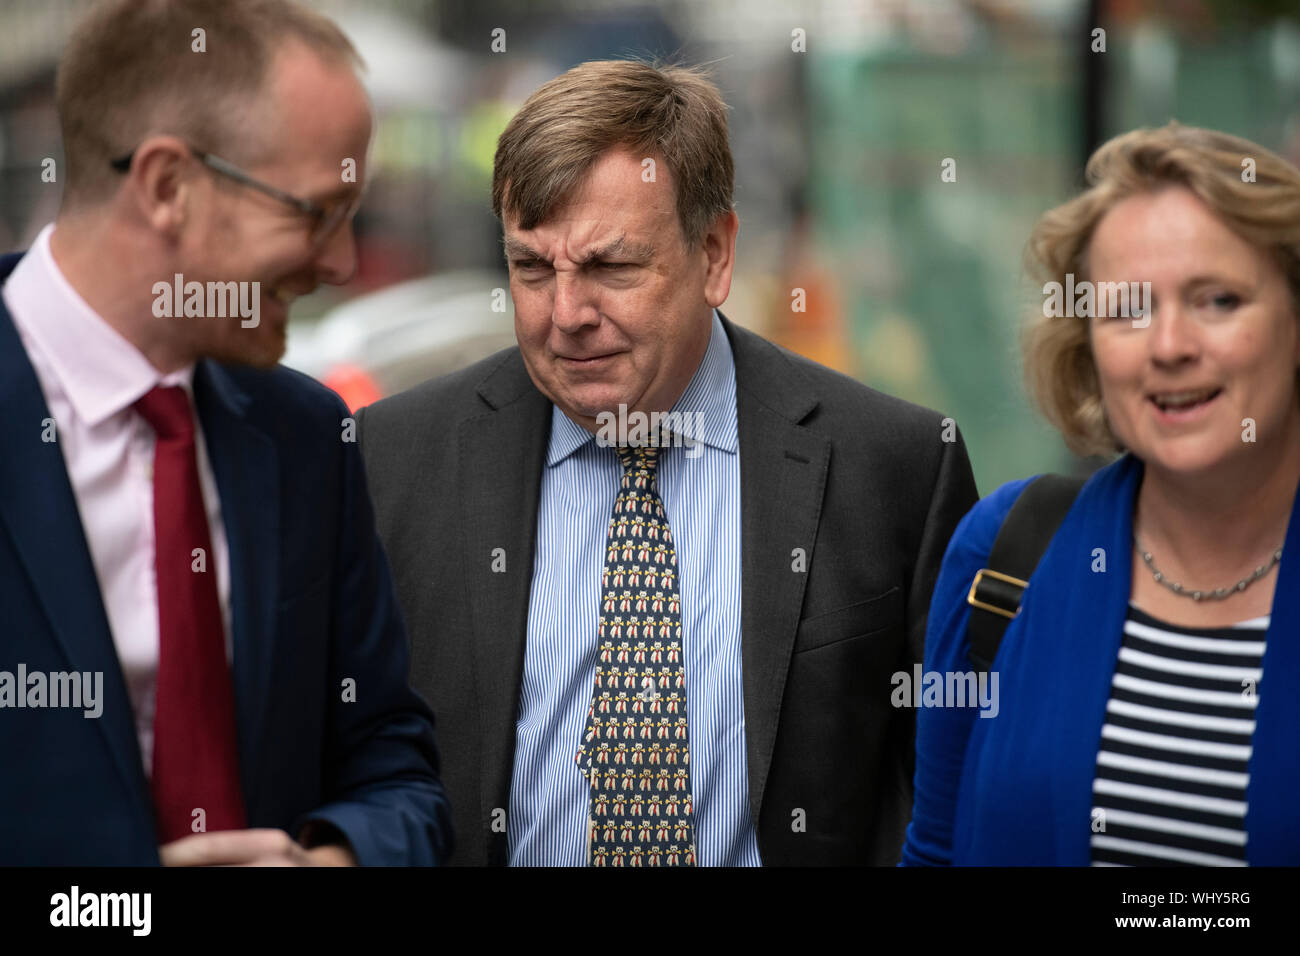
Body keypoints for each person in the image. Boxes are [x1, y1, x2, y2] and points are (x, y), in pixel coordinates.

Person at [357, 59, 978, 866]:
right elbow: (355, 754)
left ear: (715, 254)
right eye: (532, 269)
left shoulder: (891, 466)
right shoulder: (395, 459)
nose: (567, 315)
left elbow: (956, 785)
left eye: (612, 268)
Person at [0, 0, 450, 865]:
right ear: (170, 187)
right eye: (317, 211)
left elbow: (391, 762)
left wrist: (338, 857)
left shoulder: (307, 436)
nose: (343, 262)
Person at [902, 122, 1300, 866]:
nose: (1170, 344)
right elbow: (935, 850)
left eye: (1218, 299)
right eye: (1127, 309)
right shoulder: (1006, 552)